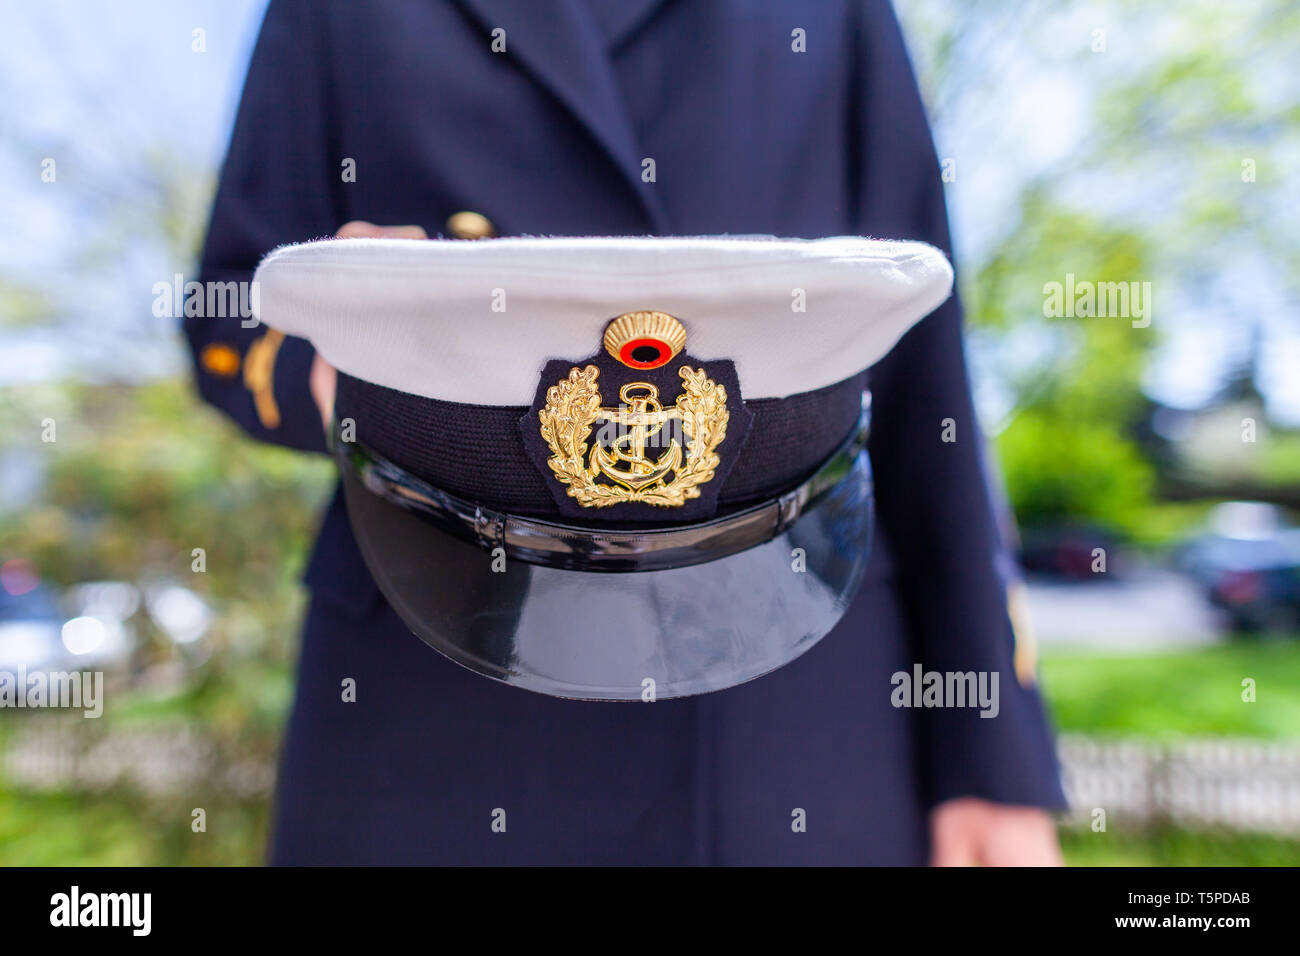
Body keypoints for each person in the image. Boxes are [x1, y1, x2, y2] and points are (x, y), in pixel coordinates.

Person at [186, 0, 1066, 865]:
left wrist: (992, 749)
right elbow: (229, 308)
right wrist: (357, 339)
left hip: (794, 688)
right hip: (429, 654)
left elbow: (926, 380)